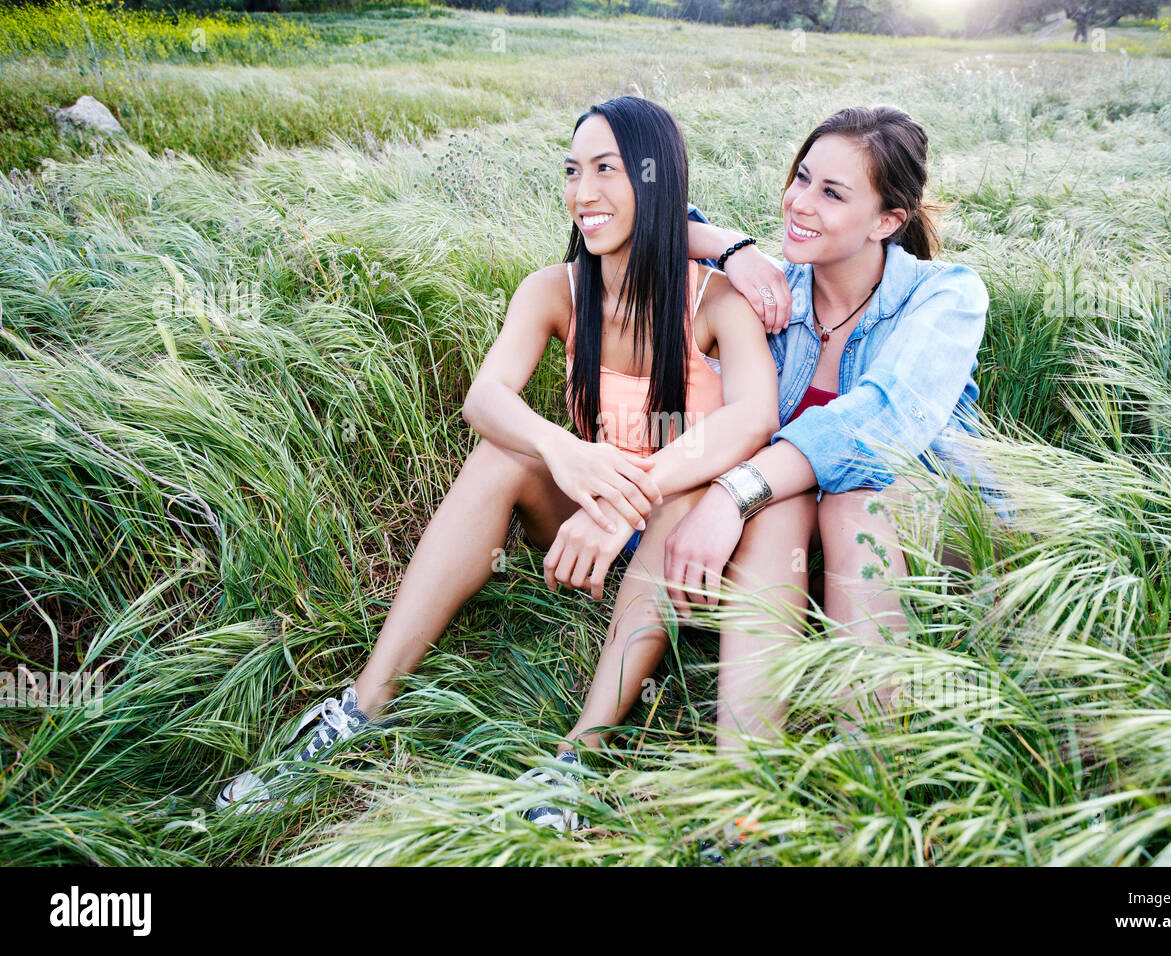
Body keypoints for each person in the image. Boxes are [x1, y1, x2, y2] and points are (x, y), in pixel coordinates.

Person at [213, 96, 777, 815]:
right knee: (497, 455)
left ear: (655, 179)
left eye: (607, 169)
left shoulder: (715, 300)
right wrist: (564, 452)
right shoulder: (556, 290)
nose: (583, 193)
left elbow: (754, 419)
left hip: (686, 542)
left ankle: (577, 759)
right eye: (573, 171)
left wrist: (628, 494)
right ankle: (363, 704)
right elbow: (484, 398)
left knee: (684, 496)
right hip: (585, 523)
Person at [667, 105, 1010, 759]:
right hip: (803, 549)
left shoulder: (946, 296)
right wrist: (734, 250)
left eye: (832, 192)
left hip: (934, 527)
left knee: (850, 498)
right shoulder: (773, 292)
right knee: (786, 496)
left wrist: (731, 492)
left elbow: (879, 422)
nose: (800, 203)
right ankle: (742, 786)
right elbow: (650, 222)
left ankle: (869, 772)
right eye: (801, 178)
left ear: (888, 220)